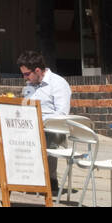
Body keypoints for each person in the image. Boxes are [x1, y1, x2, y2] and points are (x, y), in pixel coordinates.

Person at [19, 50, 71, 195]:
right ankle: (17, 175)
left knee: (44, 133)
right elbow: (25, 106)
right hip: (31, 125)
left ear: (37, 71)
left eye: (26, 74)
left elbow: (62, 114)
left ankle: (49, 178)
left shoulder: (58, 83)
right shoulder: (30, 84)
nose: (25, 78)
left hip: (53, 128)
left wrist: (39, 121)